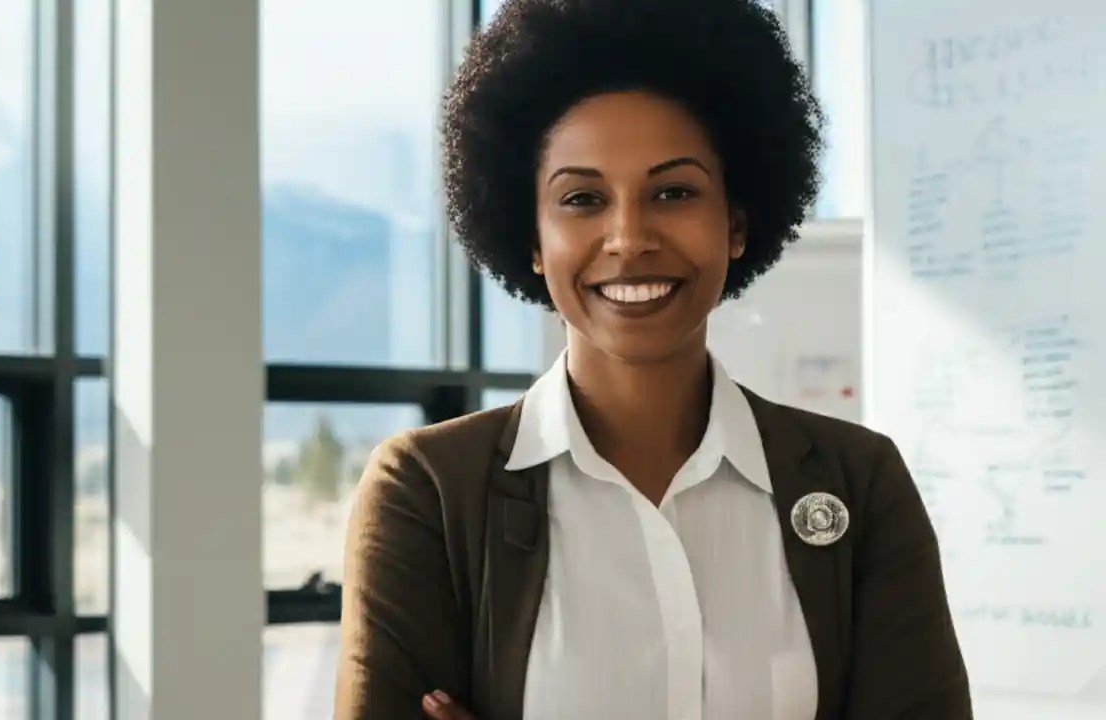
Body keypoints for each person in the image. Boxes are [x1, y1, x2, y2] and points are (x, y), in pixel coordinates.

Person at [335, 0, 971, 718]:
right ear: (533, 241)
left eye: (673, 192)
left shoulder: (861, 485)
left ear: (734, 223)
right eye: (581, 198)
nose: (629, 236)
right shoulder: (428, 493)